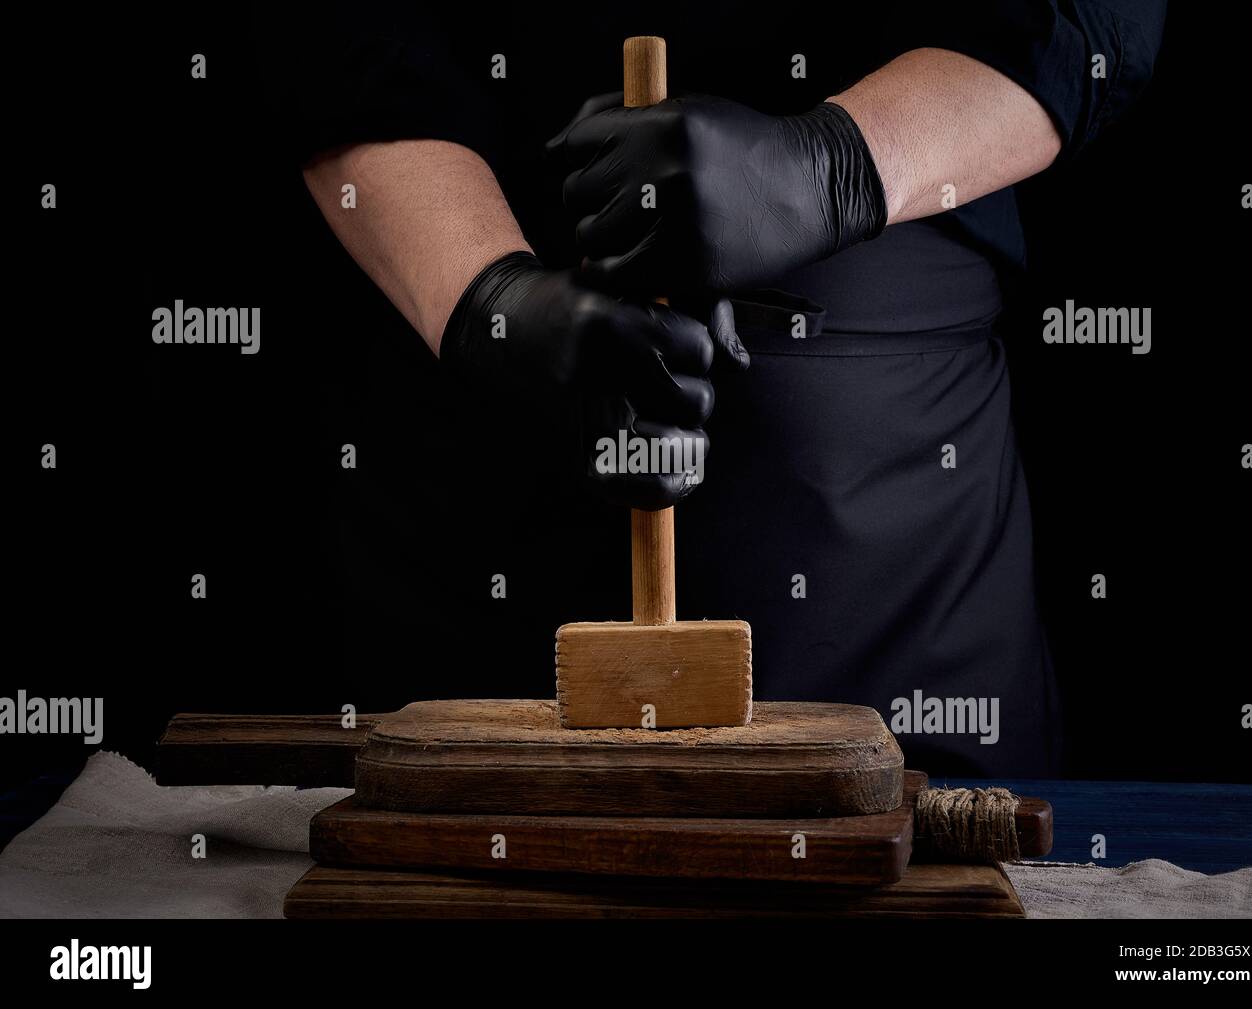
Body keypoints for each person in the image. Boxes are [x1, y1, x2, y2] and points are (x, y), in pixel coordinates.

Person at [259, 1, 1166, 775]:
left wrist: (833, 166)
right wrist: (485, 297)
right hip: (464, 441)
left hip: (893, 527)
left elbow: (1089, 16)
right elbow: (340, 32)